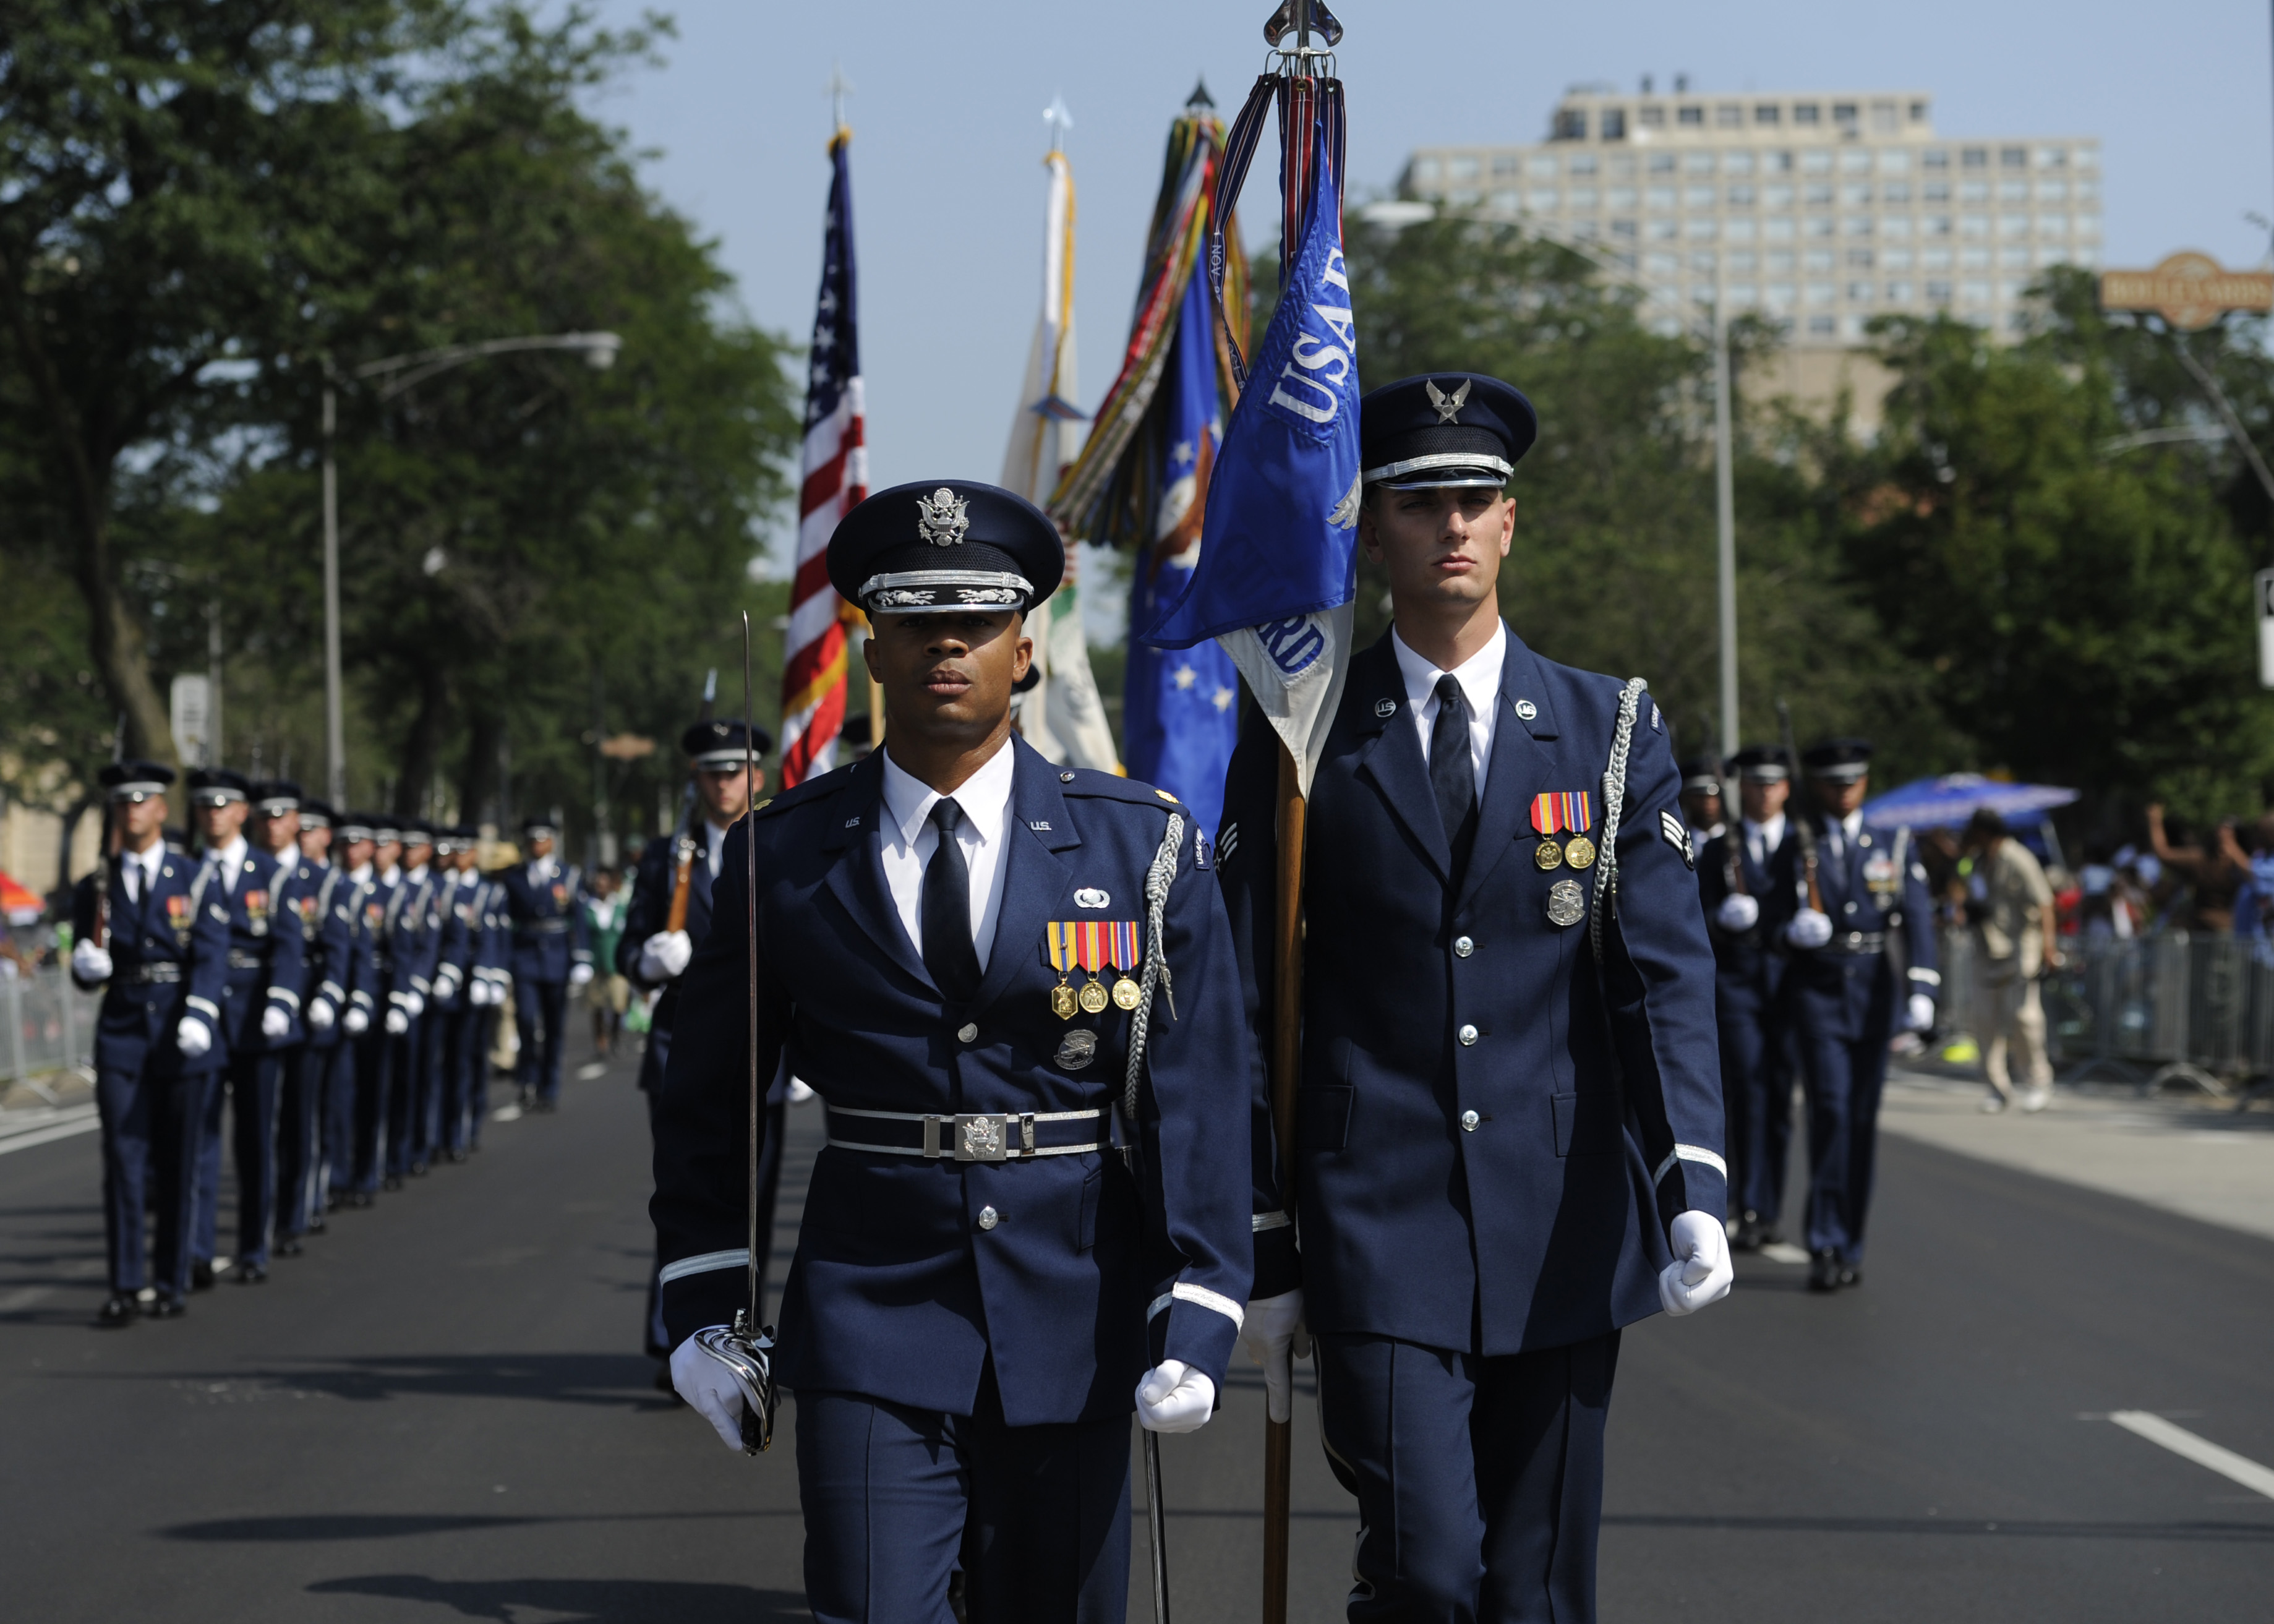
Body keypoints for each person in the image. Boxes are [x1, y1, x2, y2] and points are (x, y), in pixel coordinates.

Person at [654, 480, 1258, 1623]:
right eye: (916, 620)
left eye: (976, 621)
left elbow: (1199, 1092)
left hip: (1072, 1310)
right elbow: (710, 1103)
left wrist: (1200, 1297)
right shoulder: (780, 856)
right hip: (869, 1308)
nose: (948, 644)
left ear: (1023, 649)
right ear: (869, 649)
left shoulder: (1140, 844)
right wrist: (701, 1306)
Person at [1217, 374, 1731, 1624]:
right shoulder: (1300, 728)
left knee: (1538, 1589)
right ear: (1374, 528)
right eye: (1420, 501)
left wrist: (1692, 1177)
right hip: (1373, 1216)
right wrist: (1261, 1219)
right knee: (1428, 1569)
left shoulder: (1607, 727)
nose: (1451, 523)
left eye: (1475, 500)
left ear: (1509, 524)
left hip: (1560, 1214)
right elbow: (1242, 992)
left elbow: (1654, 971)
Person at [623, 717, 780, 1373]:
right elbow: (630, 949)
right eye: (713, 773)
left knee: (756, 1212)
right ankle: (677, 1340)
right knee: (686, 1198)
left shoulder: (778, 844)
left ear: (757, 777)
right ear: (697, 780)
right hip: (679, 1049)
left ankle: (741, 1337)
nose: (724, 784)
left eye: (735, 771)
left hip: (762, 1052)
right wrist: (651, 962)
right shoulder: (668, 857)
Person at [69, 762, 230, 1323]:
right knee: (122, 1158)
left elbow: (211, 954)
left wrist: (201, 1013)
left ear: (162, 809)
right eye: (123, 802)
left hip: (181, 1032)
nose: (133, 809)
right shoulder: (97, 884)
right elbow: (87, 965)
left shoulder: (196, 877)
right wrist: (87, 968)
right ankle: (124, 1284)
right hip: (122, 1032)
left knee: (177, 1158)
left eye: (143, 800)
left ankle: (170, 1280)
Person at [1783, 740, 1938, 1293]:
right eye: (1834, 782)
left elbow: (1917, 917)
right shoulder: (1796, 840)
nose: (1845, 790)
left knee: (1861, 1121)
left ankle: (1850, 1241)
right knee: (1829, 1112)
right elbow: (1775, 912)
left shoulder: (1892, 843)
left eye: (1854, 780)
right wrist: (1790, 929)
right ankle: (1823, 1239)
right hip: (1819, 993)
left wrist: (1922, 987)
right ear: (1818, 786)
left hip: (1873, 995)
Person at [182, 768, 307, 1288]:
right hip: (203, 1020)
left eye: (223, 806)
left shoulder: (272, 874)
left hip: (256, 1020)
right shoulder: (183, 870)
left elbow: (288, 946)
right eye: (205, 806)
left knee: (255, 1139)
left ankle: (254, 1244)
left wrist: (281, 1001)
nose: (213, 814)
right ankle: (196, 1250)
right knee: (199, 1139)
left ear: (241, 813)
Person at [1696, 745, 1800, 1250]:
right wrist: (1721, 918)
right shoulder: (1720, 849)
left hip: (1787, 985)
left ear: (1786, 788)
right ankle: (1747, 1200)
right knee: (1746, 1089)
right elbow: (1696, 914)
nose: (1764, 793)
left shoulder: (1804, 844)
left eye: (1773, 783)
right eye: (1755, 784)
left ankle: (1770, 1203)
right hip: (1736, 984)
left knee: (1778, 1096)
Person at [276, 795, 356, 1249]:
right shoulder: (275, 877)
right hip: (274, 1012)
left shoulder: (330, 884)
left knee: (316, 1113)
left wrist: (333, 995)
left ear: (326, 836)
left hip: (315, 1013)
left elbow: (344, 950)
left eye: (312, 829)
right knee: (278, 1120)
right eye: (299, 828)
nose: (305, 836)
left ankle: (309, 1199)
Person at [1964, 809, 2059, 1113]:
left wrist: (2049, 946)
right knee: (1984, 1020)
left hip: (2021, 946)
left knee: (2024, 1018)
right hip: (1986, 947)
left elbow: (2045, 901)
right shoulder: (1977, 863)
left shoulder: (2018, 857)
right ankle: (1996, 1088)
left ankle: (2038, 1081)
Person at [498, 816, 592, 1113]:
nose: (537, 844)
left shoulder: (567, 875)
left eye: (543, 839)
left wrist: (581, 957)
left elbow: (579, 918)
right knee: (525, 1020)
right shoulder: (513, 878)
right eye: (532, 839)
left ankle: (549, 1086)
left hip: (556, 956)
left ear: (552, 841)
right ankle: (527, 1079)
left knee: (554, 1026)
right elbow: (504, 923)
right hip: (525, 956)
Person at [381, 821, 442, 1186]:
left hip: (414, 996)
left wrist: (416, 989)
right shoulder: (388, 888)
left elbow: (430, 944)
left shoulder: (427, 892)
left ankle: (414, 1147)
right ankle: (388, 1154)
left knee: (416, 1076)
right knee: (388, 1081)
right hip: (385, 995)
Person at [582, 866, 630, 1058]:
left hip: (616, 963)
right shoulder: (588, 907)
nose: (600, 887)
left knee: (618, 1003)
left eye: (604, 883)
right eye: (598, 884)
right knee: (597, 1005)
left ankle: (615, 1036)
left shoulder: (620, 907)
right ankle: (600, 1041)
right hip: (595, 963)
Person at [1678, 754, 1726, 847]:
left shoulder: (1740, 841)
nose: (1707, 801)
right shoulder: (1681, 844)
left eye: (1713, 795)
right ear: (1687, 798)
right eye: (1699, 796)